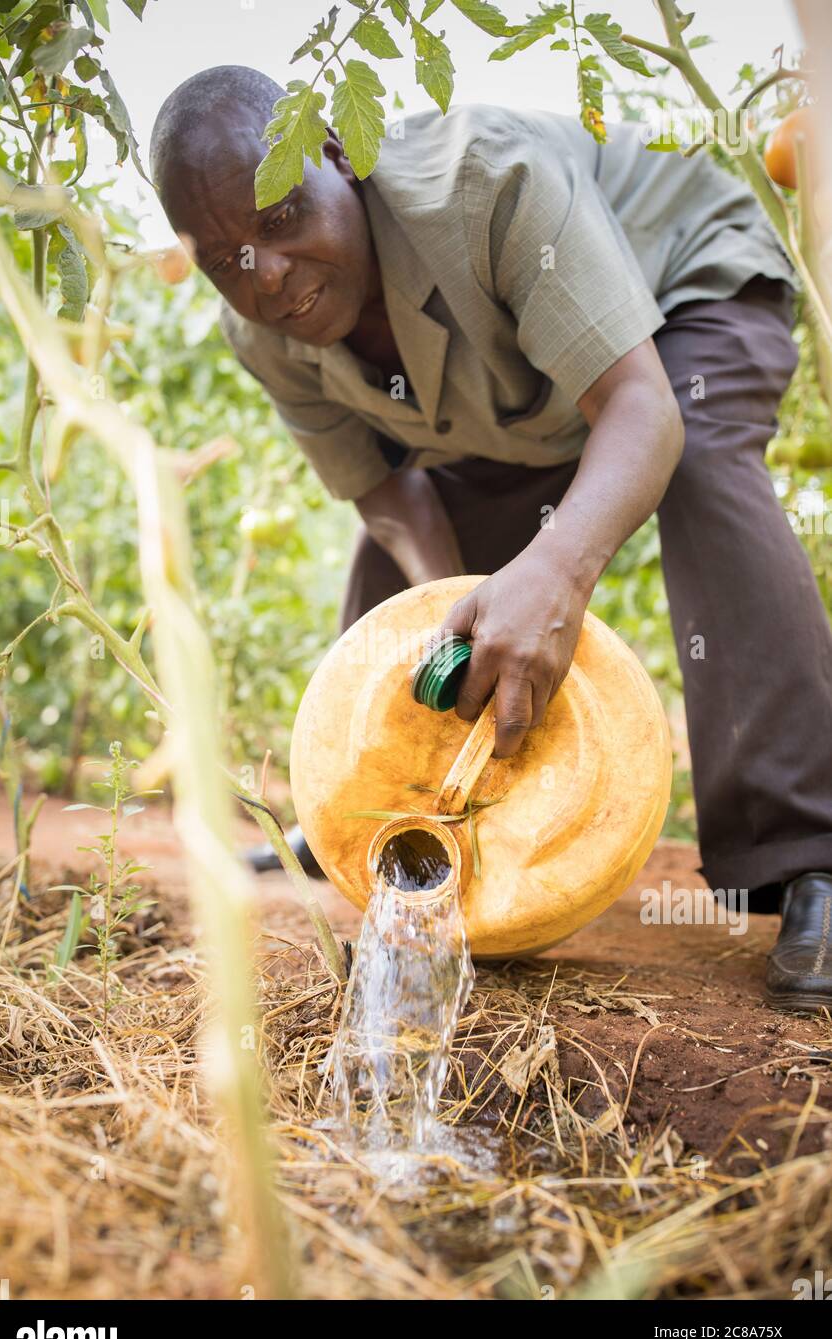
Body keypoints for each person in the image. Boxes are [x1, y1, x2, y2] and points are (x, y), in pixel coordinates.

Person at [150, 65, 832, 1012]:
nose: (266, 277)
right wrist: (461, 618)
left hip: (680, 293)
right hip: (521, 402)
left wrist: (554, 572)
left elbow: (640, 407)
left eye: (278, 220)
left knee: (701, 454)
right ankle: (357, 809)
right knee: (405, 572)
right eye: (226, 259)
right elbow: (387, 490)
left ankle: (806, 857)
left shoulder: (485, 180)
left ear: (342, 159)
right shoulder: (261, 333)